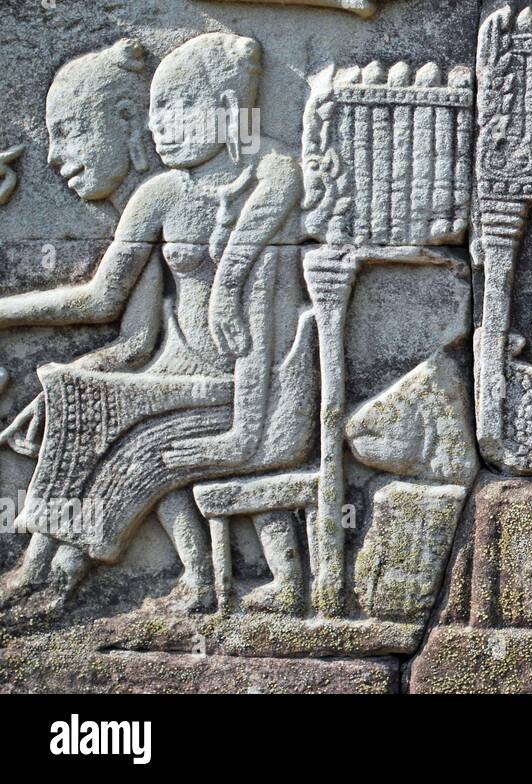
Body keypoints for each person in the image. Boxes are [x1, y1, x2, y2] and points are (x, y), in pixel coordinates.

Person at [0, 33, 316, 615]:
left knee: (121, 430)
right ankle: (43, 566)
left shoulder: (272, 170)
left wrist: (227, 281)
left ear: (228, 108)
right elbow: (107, 306)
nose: (161, 126)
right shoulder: (160, 195)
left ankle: (64, 572)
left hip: (246, 387)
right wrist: (60, 365)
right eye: (154, 111)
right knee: (77, 400)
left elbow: (268, 209)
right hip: (174, 374)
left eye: (176, 107)